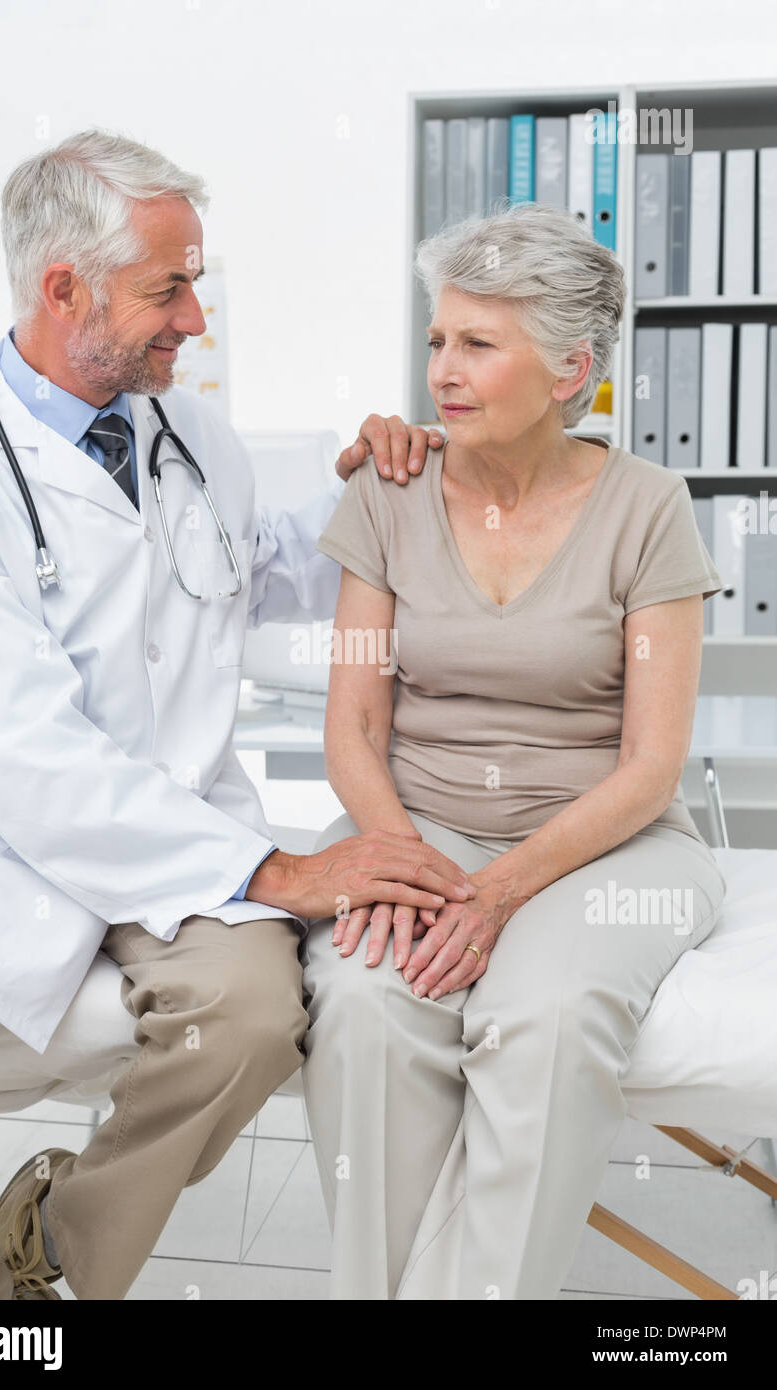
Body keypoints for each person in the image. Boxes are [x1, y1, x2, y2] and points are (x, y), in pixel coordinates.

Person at [0, 127, 468, 1301]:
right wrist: (280, 872)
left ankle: (55, 1241)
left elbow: (259, 568)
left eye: (195, 283)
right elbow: (29, 759)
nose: (195, 320)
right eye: (169, 287)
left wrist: (371, 486)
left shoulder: (190, 436)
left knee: (254, 1020)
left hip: (177, 821)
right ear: (65, 288)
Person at [300, 201, 728, 1300]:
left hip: (604, 843)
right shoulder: (384, 494)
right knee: (359, 1008)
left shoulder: (647, 508)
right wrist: (395, 857)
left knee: (541, 1021)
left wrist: (493, 894)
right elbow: (351, 725)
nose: (440, 367)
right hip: (416, 822)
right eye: (437, 338)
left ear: (568, 369)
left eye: (477, 344)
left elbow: (648, 765)